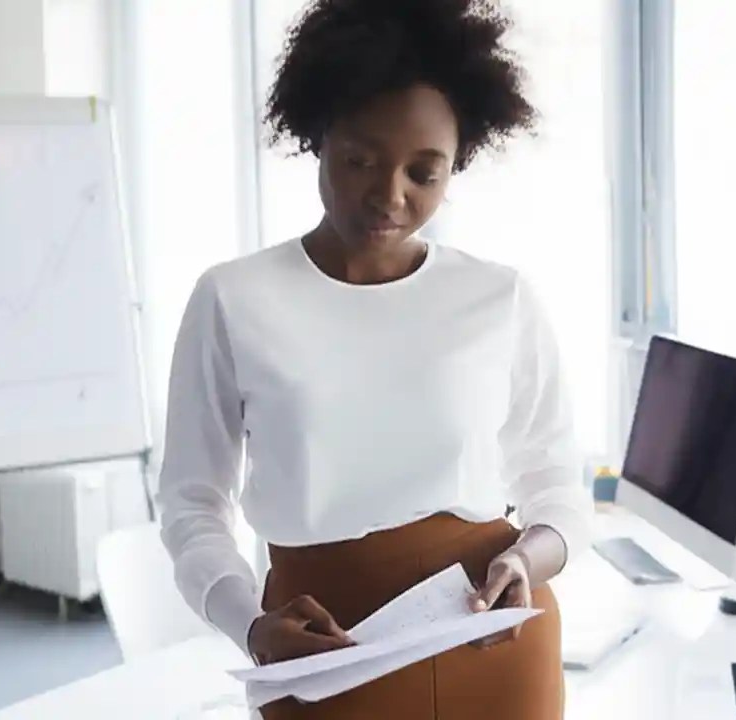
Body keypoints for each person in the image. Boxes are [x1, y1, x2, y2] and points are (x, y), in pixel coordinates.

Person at [158, 0, 594, 717]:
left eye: (425, 172)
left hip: (496, 647)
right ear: (316, 135)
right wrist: (252, 626)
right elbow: (191, 505)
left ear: (459, 164)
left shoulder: (499, 297)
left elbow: (556, 489)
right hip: (320, 653)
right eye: (361, 160)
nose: (389, 196)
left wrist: (526, 561)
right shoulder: (234, 300)